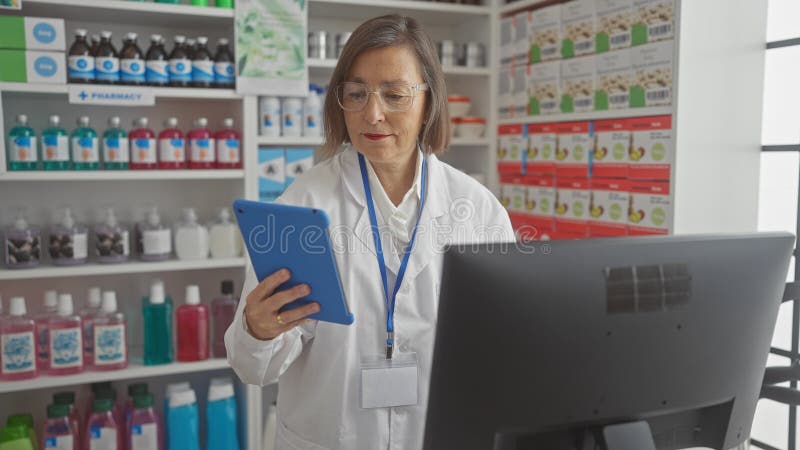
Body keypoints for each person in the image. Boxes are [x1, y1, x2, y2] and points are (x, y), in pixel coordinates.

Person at [226, 14, 514, 450]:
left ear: (429, 101)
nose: (372, 113)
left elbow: (501, 346)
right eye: (356, 94)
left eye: (395, 94)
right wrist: (258, 329)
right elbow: (256, 370)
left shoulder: (476, 209)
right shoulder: (301, 205)